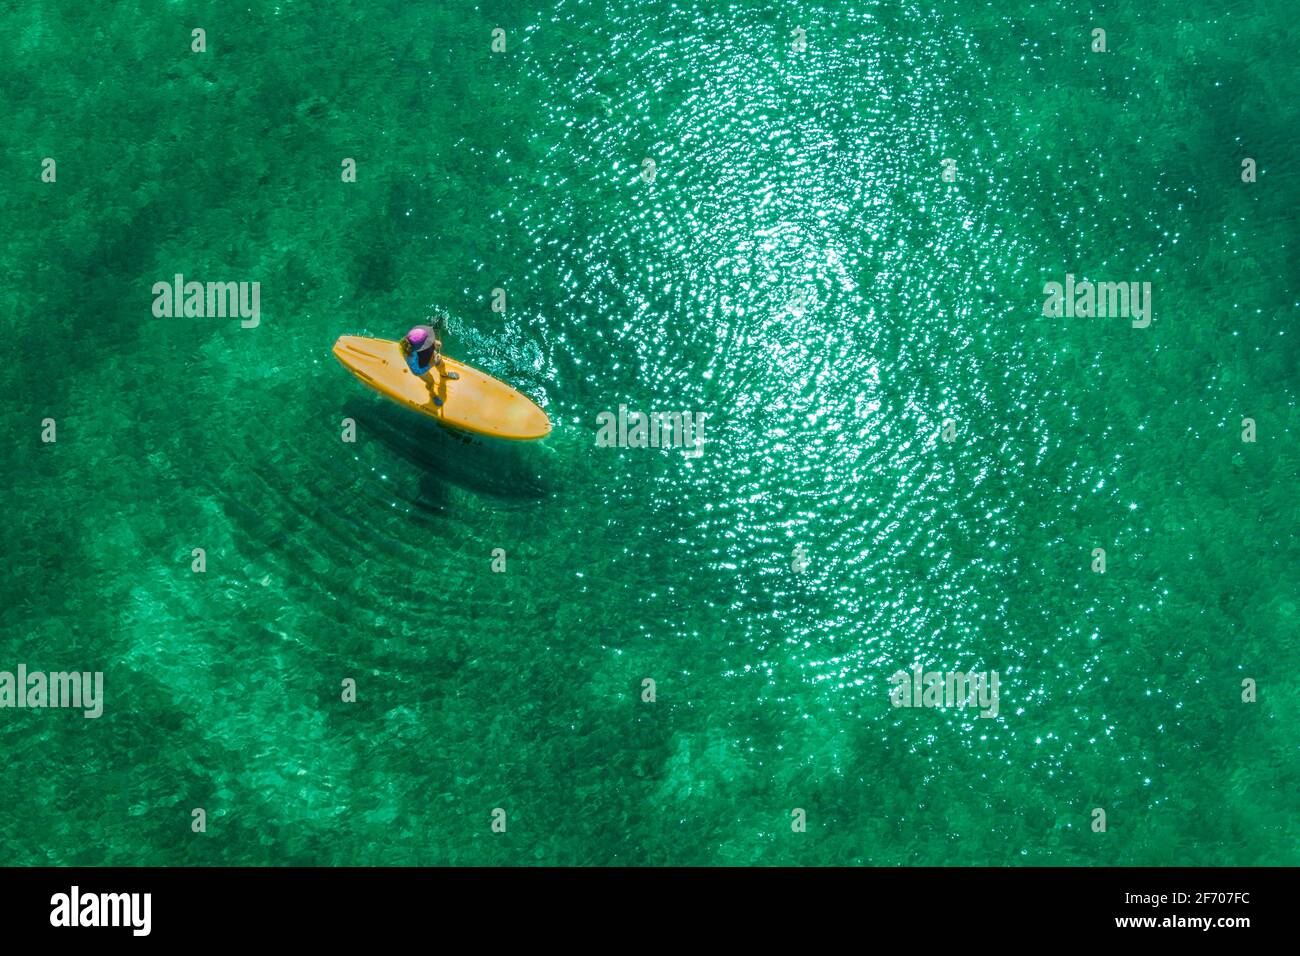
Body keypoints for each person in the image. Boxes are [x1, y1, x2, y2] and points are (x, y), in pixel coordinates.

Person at [399, 322, 459, 406]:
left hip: (428, 356)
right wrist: (432, 363)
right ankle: (432, 394)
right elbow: (417, 371)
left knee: (441, 364)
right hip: (422, 367)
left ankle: (444, 374)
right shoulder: (410, 357)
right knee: (430, 382)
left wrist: (435, 343)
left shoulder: (415, 338)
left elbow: (427, 340)